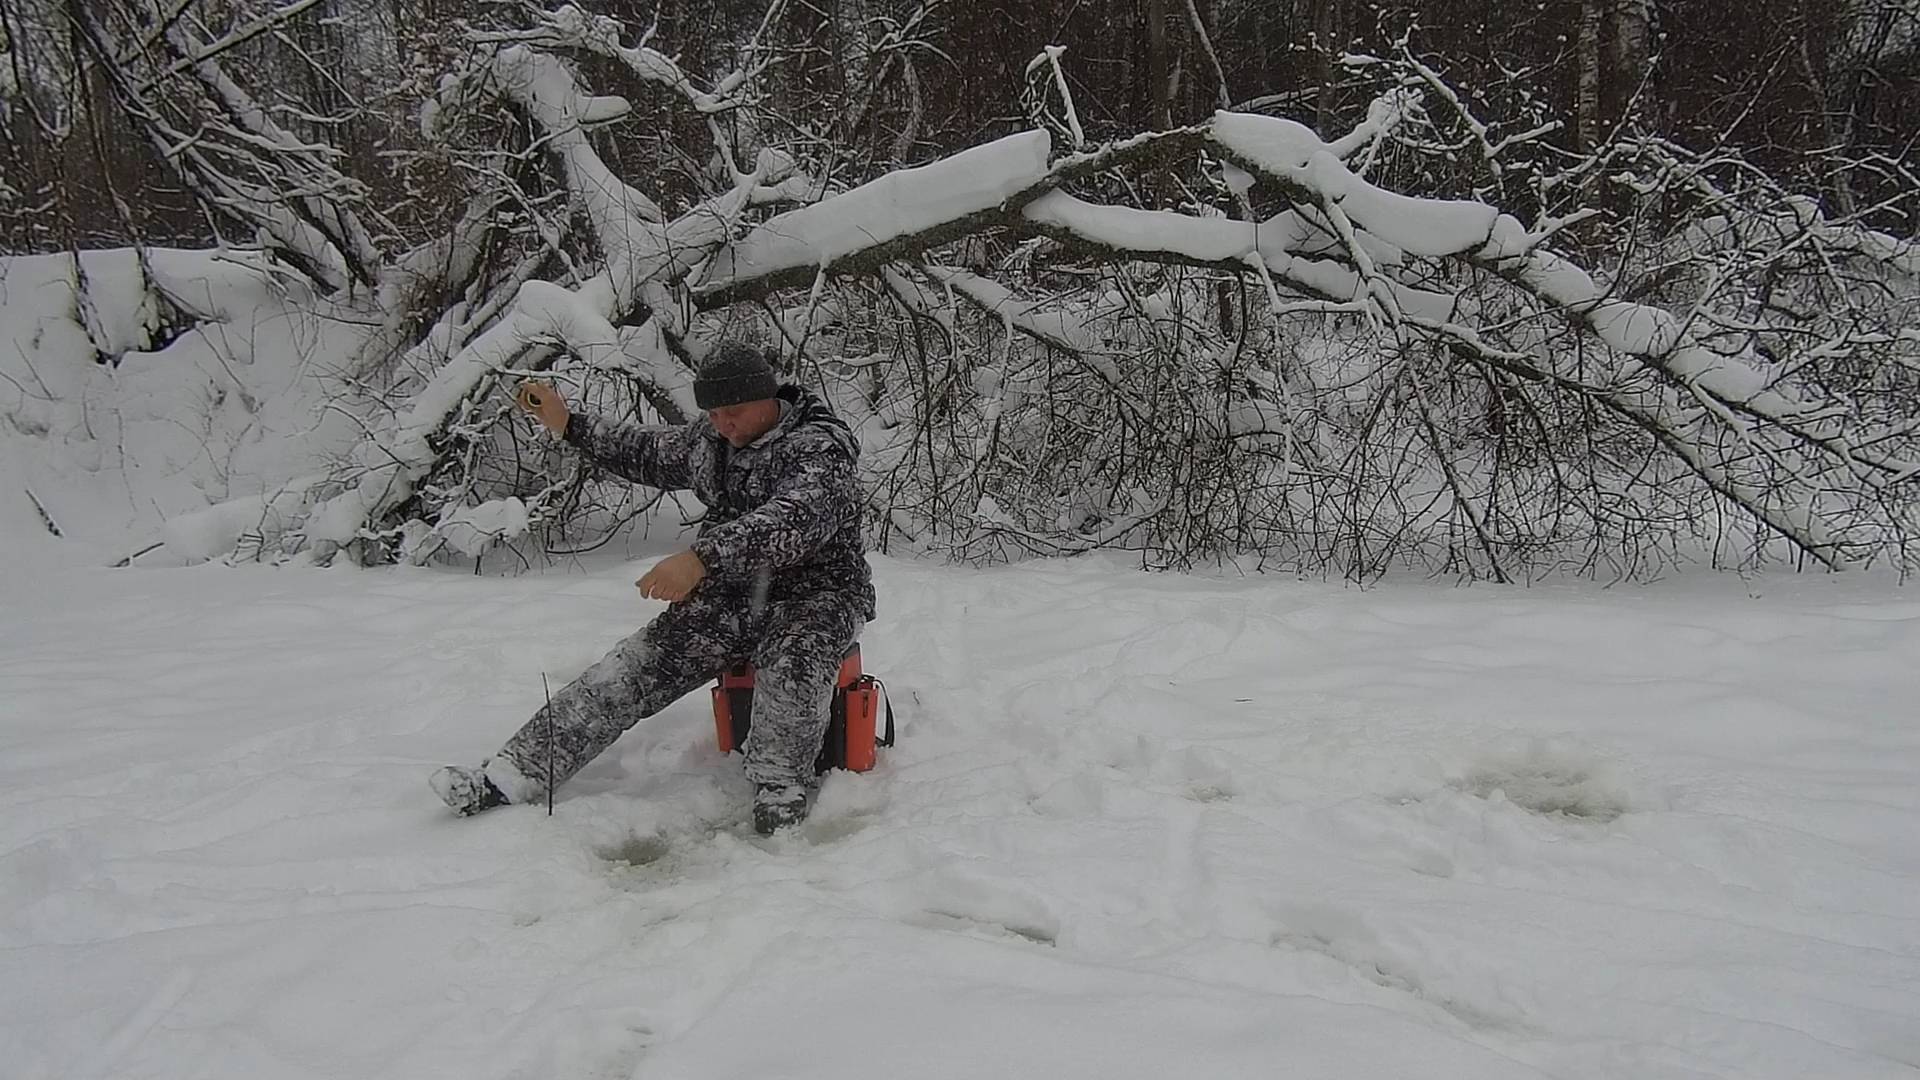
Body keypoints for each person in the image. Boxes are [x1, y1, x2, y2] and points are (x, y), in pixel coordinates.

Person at [429, 341, 875, 834]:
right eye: (714, 413)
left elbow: (792, 521)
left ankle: (779, 786)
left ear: (770, 400)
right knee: (633, 668)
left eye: (735, 411)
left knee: (794, 666)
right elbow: (647, 451)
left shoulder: (819, 448)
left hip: (820, 594)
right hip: (731, 593)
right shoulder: (712, 440)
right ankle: (513, 773)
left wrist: (701, 558)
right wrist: (569, 424)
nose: (723, 424)